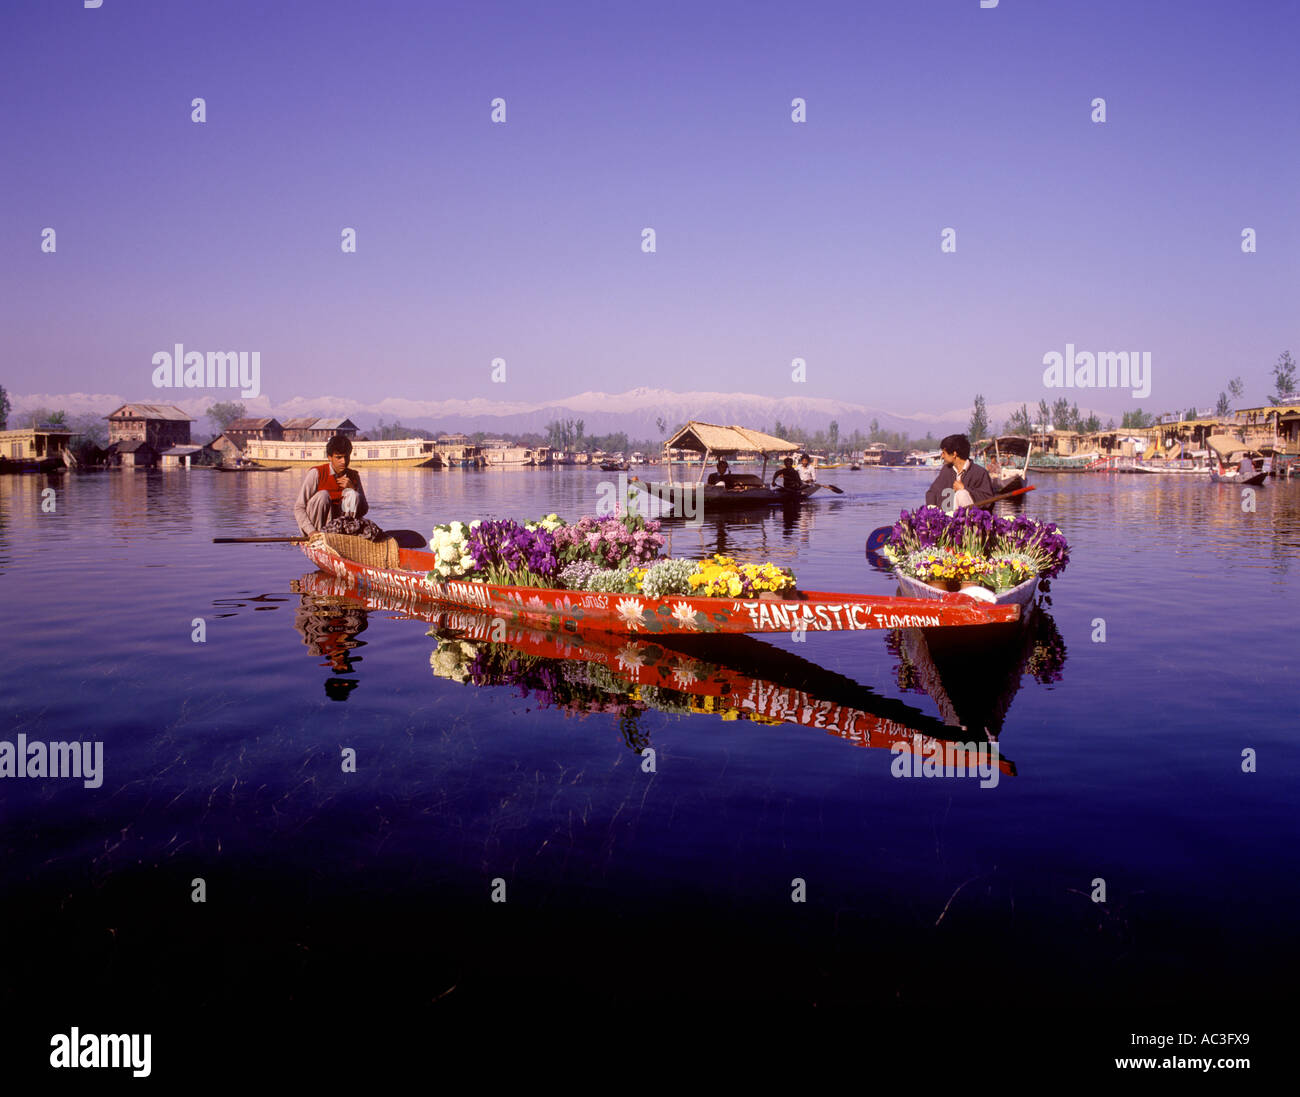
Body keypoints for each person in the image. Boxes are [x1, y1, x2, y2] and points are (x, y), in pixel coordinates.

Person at [294, 434, 369, 536]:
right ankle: (319, 535)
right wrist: (311, 531)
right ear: (329, 457)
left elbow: (364, 510)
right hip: (316, 529)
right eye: (339, 457)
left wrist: (353, 489)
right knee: (323, 495)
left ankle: (346, 535)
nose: (344, 461)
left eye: (346, 457)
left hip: (341, 531)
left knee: (353, 495)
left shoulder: (354, 476)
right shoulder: (317, 473)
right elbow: (299, 507)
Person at [924, 434, 997, 510]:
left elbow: (989, 501)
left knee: (961, 494)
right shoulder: (946, 471)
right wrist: (932, 508)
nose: (942, 456)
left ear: (954, 454)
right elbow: (932, 492)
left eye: (944, 453)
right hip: (947, 519)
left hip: (969, 519)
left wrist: (965, 489)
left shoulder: (980, 473)